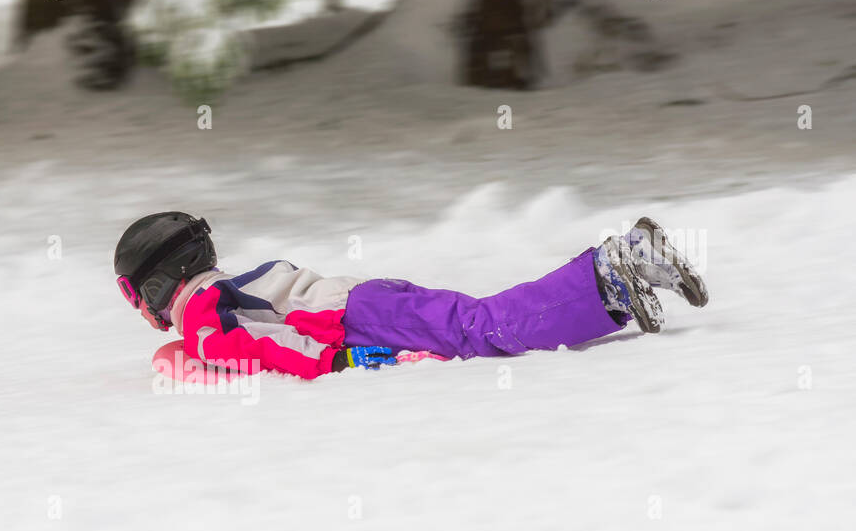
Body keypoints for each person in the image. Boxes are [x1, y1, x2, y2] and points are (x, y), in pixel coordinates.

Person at [114, 212, 708, 380]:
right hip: (367, 300)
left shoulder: (200, 317)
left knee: (484, 330)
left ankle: (616, 265)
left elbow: (272, 351)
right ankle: (620, 292)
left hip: (362, 320)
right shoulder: (220, 292)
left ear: (152, 285)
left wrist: (348, 359)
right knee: (480, 322)